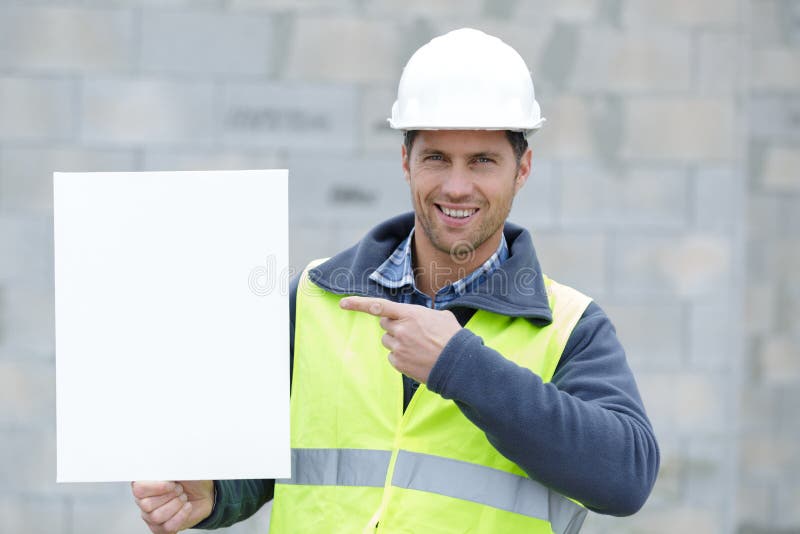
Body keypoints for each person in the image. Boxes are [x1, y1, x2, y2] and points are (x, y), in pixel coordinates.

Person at [132, 28, 659, 534]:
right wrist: (214, 495)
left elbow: (625, 479)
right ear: (405, 160)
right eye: (437, 158)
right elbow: (277, 463)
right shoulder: (313, 297)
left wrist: (460, 366)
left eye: (482, 161)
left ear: (521, 169)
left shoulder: (569, 327)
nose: (457, 186)